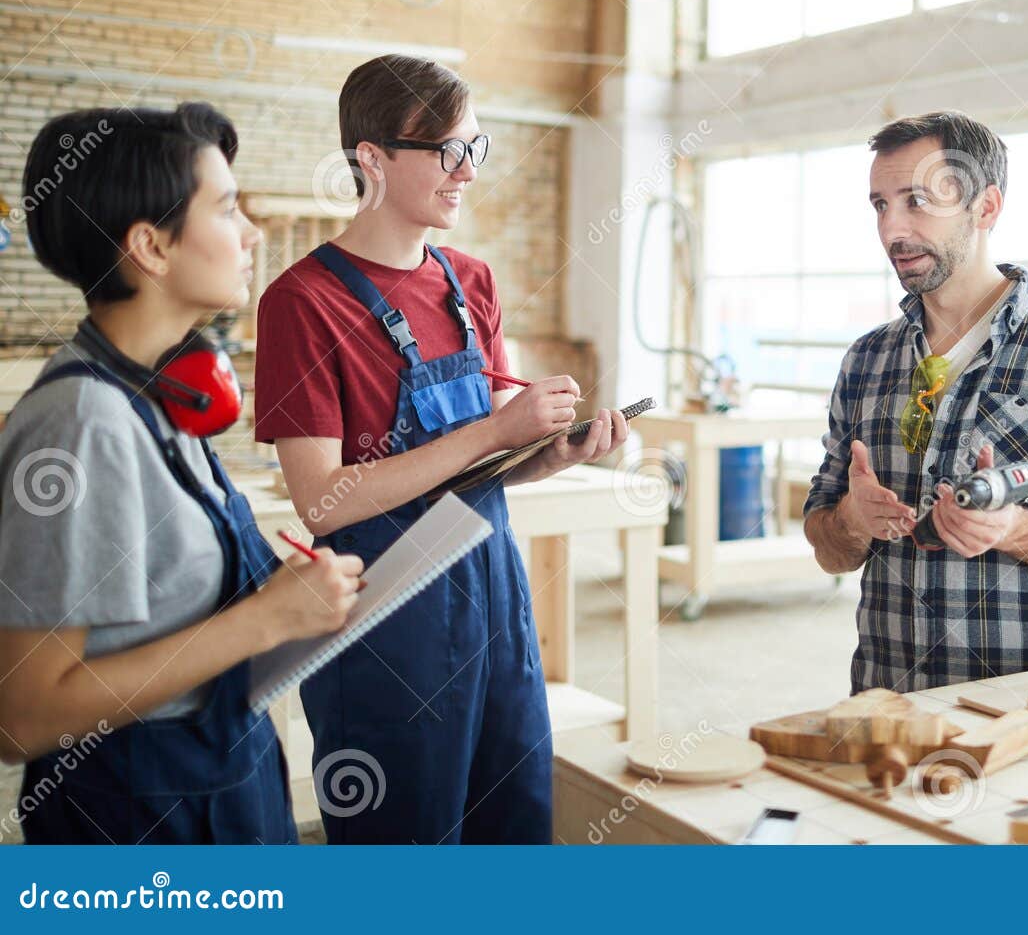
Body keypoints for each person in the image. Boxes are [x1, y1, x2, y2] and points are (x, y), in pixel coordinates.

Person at [253, 55, 629, 844]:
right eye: (446, 152)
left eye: (474, 148)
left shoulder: (470, 282)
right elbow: (320, 498)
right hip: (385, 620)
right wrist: (496, 428)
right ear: (372, 159)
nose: (467, 172)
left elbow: (481, 464)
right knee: (409, 846)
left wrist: (549, 453)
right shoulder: (302, 303)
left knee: (515, 825)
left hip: (492, 599)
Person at [0, 103, 365, 843]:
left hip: (219, 778)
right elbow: (24, 715)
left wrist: (286, 602)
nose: (253, 234)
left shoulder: (164, 393)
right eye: (228, 207)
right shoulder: (80, 422)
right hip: (138, 813)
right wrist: (266, 618)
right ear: (150, 247)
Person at [803, 111, 1028, 693]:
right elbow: (829, 550)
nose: (892, 229)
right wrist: (852, 521)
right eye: (880, 205)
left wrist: (1013, 528)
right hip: (887, 704)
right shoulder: (866, 361)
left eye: (917, 201)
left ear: (985, 207)